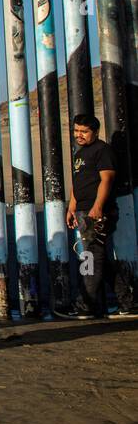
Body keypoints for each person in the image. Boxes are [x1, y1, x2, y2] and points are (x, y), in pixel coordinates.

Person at [54, 115, 138, 320]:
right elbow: (77, 182)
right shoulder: (80, 153)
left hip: (97, 212)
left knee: (90, 259)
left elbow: (107, 179)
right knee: (100, 260)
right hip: (82, 211)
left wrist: (98, 207)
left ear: (95, 131)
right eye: (76, 131)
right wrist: (71, 208)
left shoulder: (103, 150)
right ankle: (128, 303)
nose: (79, 135)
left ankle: (85, 307)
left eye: (84, 131)